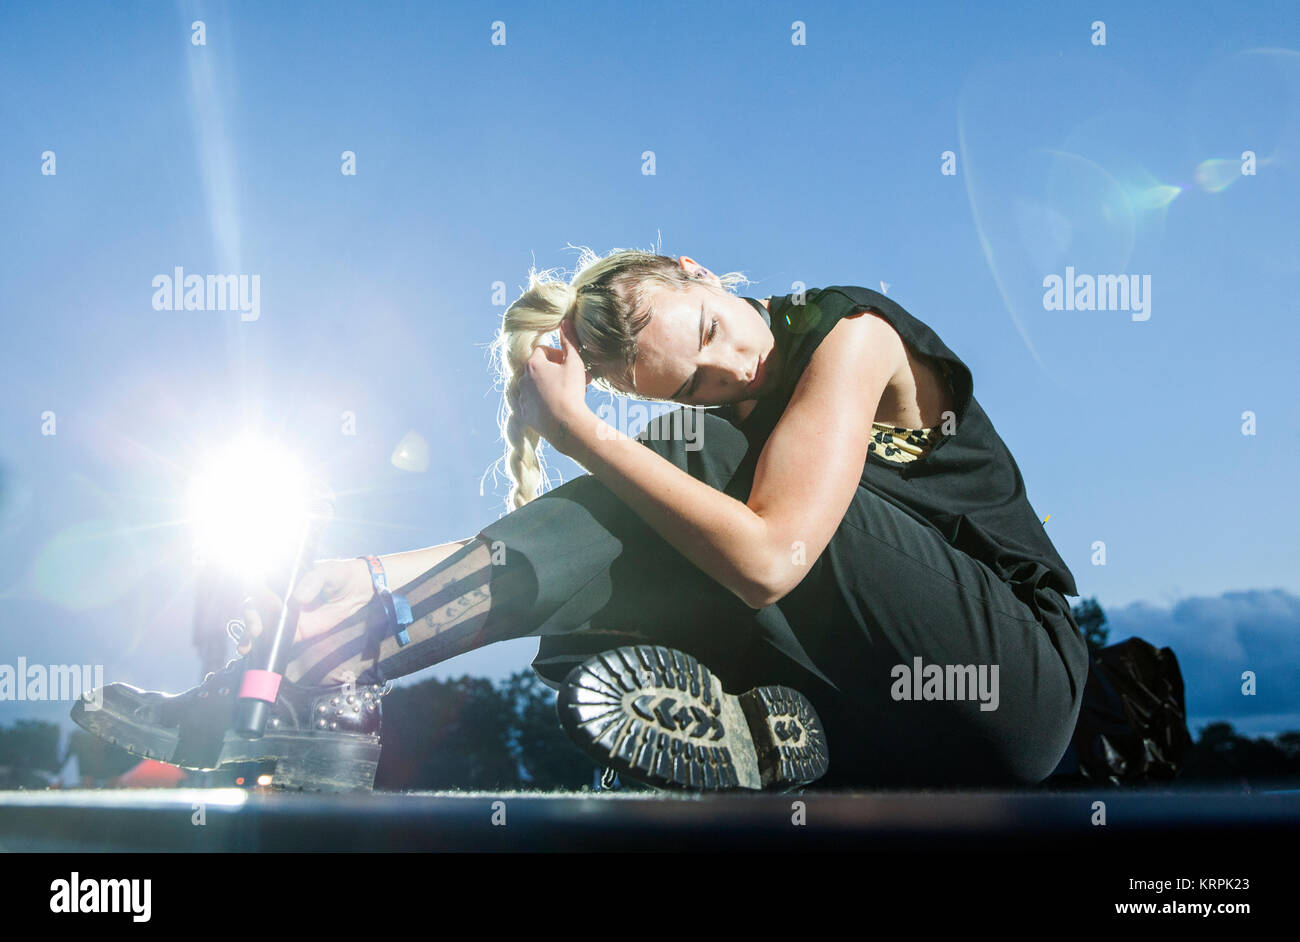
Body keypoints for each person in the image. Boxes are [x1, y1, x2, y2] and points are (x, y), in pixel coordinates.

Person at [73, 247, 1089, 792]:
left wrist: (583, 435)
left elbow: (775, 557)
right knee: (594, 614)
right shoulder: (725, 418)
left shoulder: (852, 334)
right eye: (691, 381)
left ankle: (347, 641)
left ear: (700, 271)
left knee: (694, 476)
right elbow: (609, 536)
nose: (729, 368)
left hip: (1010, 687)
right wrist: (384, 570)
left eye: (709, 335)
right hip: (885, 734)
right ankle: (328, 664)